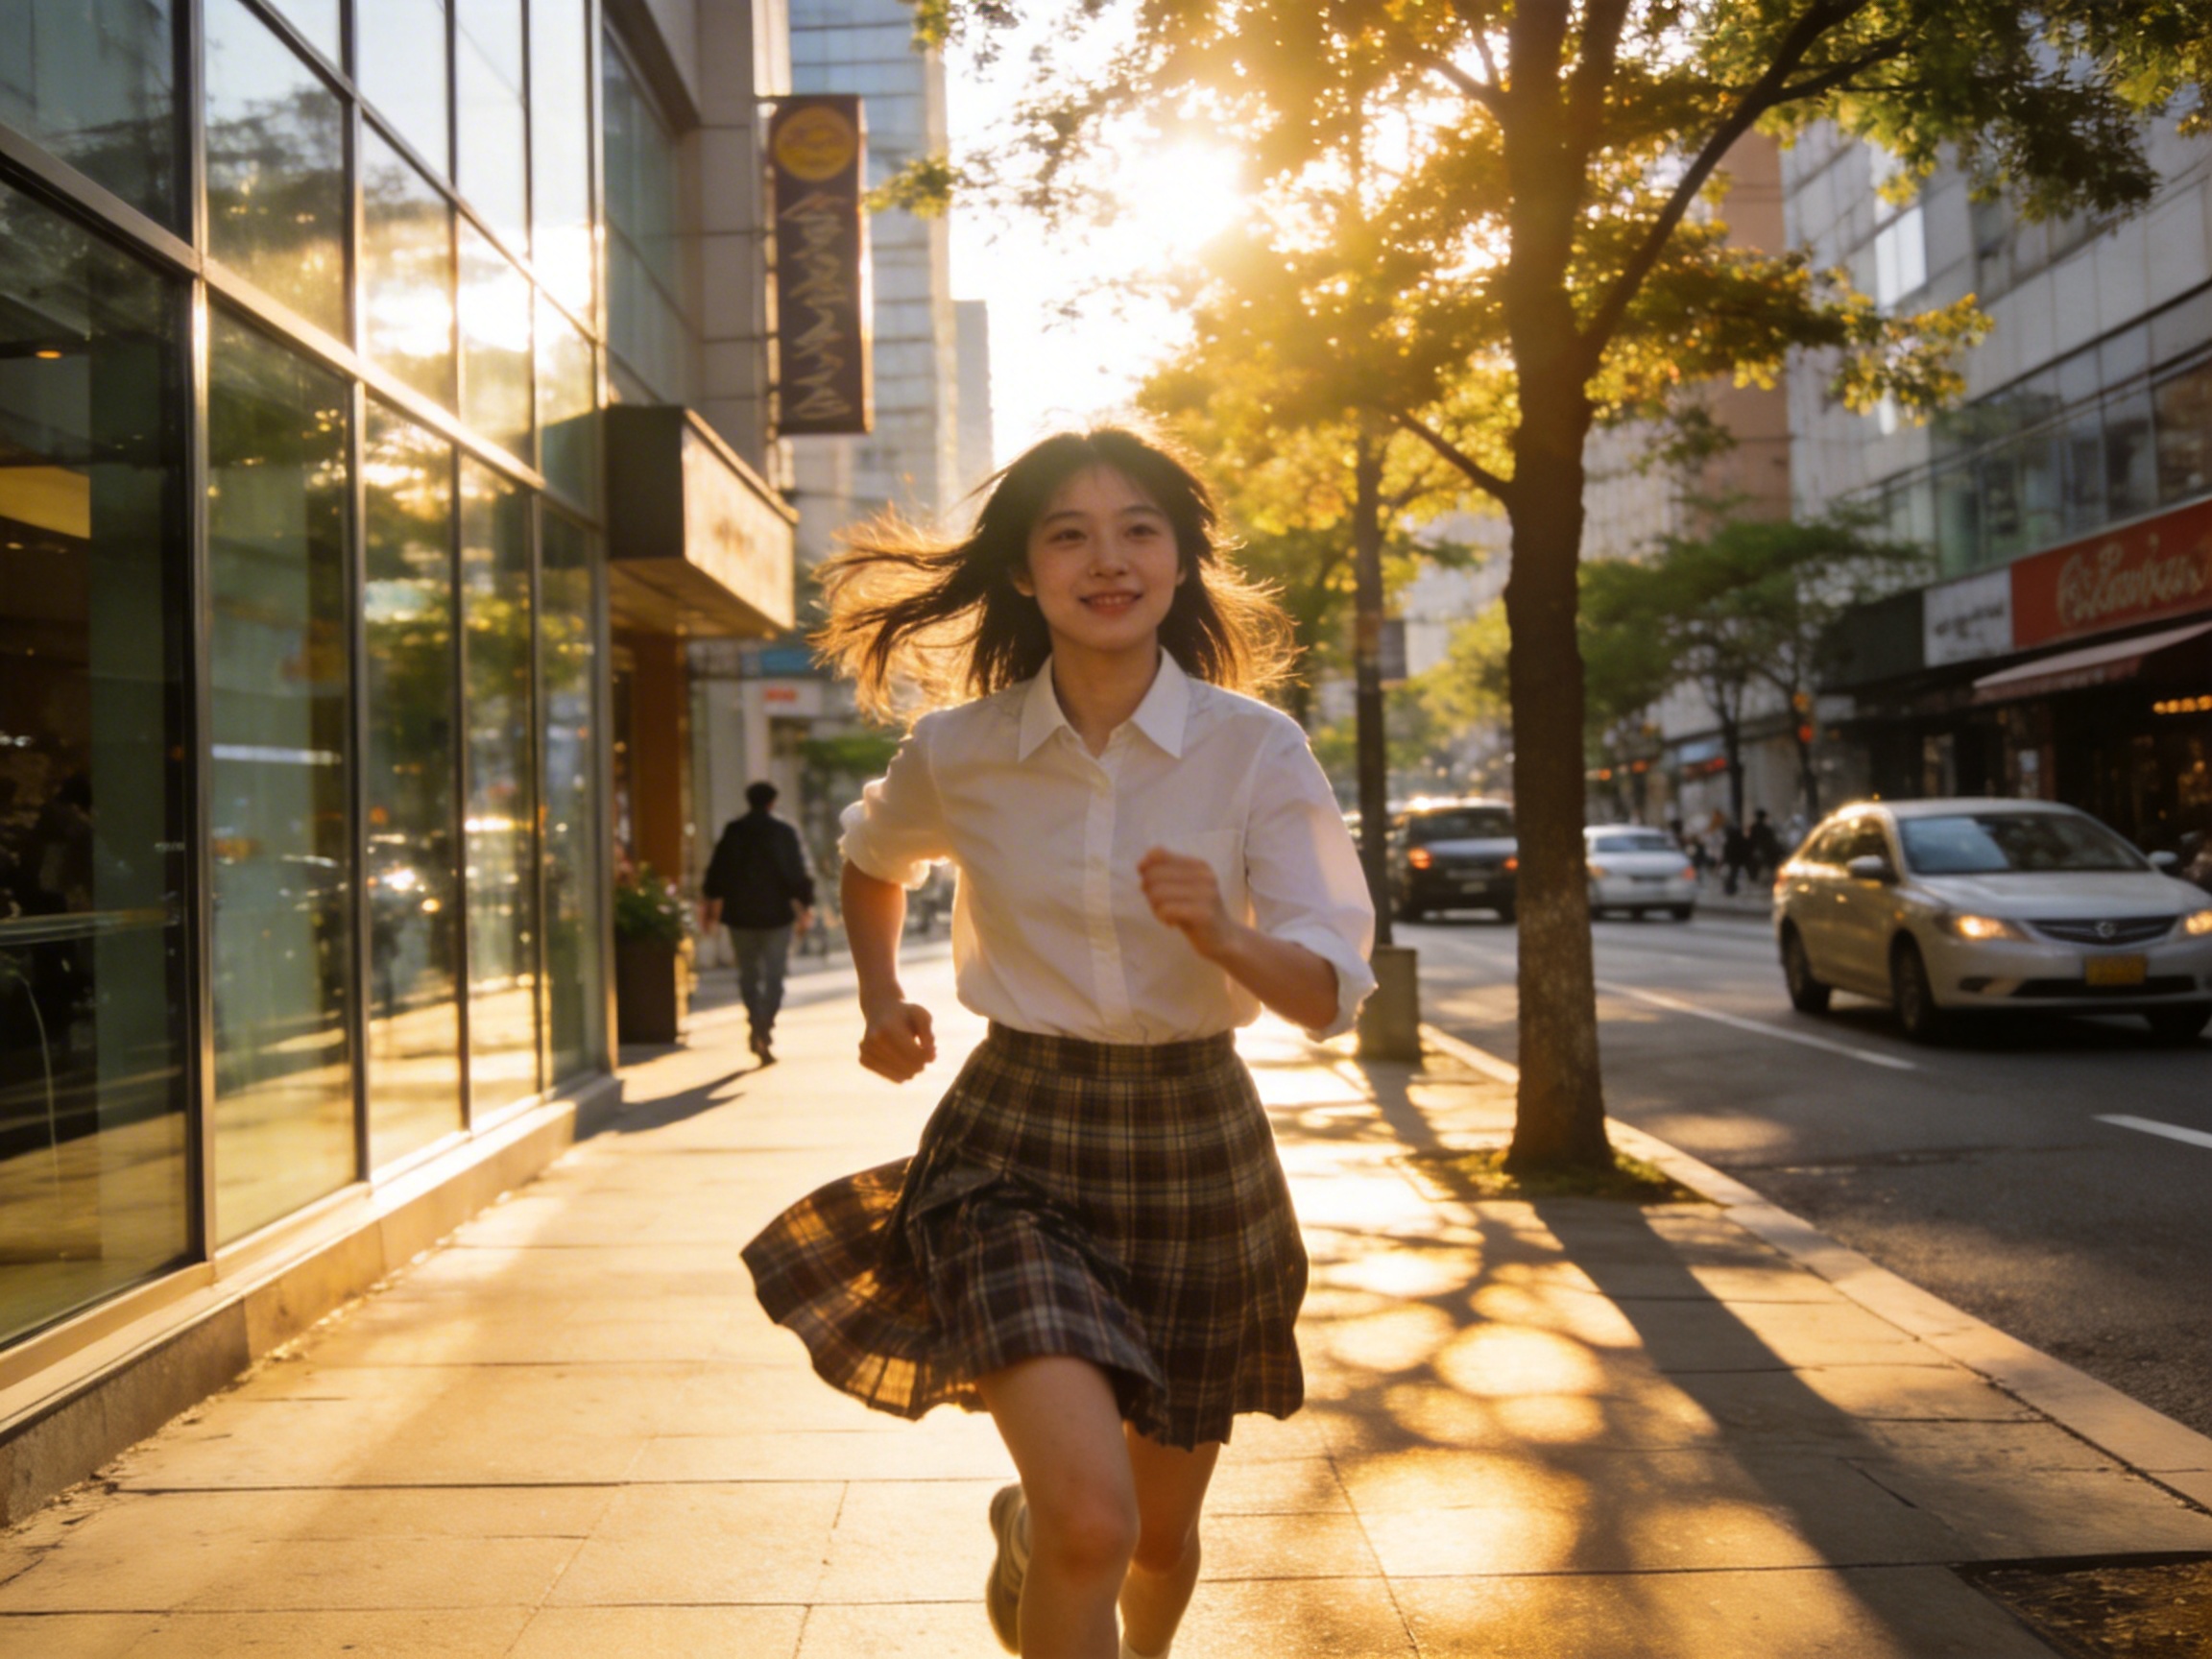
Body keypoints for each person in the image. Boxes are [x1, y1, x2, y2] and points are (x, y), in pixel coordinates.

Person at [740, 426, 1377, 1659]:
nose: (1109, 559)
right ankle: (1053, 1533)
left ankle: (1075, 1580)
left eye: (1140, 529)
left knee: (1150, 1536)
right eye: (1069, 534)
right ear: (1025, 573)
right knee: (1096, 1522)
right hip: (1015, 1147)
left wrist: (1225, 935)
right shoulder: (961, 750)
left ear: (1183, 562)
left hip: (1198, 1147)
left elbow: (1326, 990)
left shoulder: (1257, 749)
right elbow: (873, 861)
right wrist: (880, 998)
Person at [700, 780, 816, 1063]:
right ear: (772, 802)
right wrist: (805, 906)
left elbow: (717, 873)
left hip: (740, 916)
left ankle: (755, 1022)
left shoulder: (734, 831)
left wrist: (710, 904)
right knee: (776, 975)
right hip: (777, 916)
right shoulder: (783, 832)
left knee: (749, 974)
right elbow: (796, 872)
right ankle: (765, 1025)